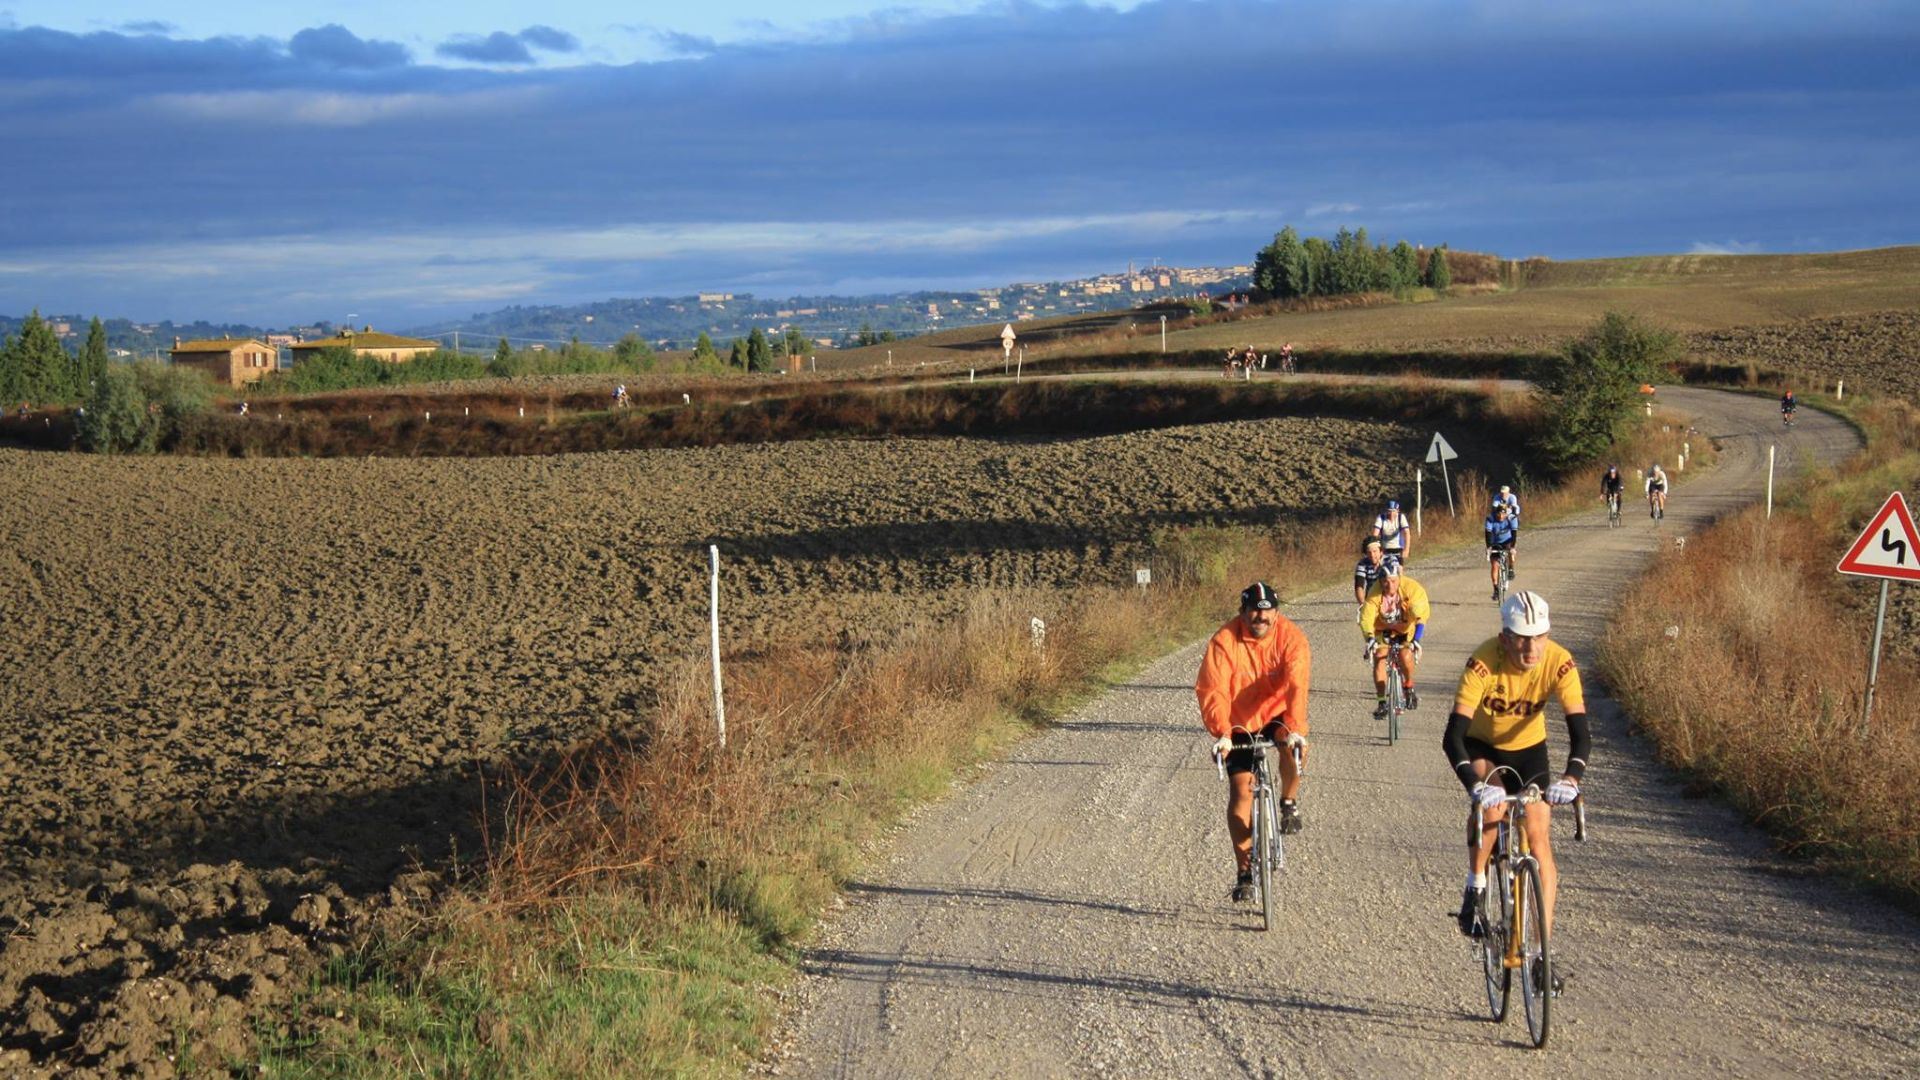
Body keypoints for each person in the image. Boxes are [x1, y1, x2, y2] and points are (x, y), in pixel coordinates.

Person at [1444, 591, 1590, 994]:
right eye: (1522, 638)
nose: (1531, 648)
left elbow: (1580, 731)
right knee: (1491, 811)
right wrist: (1475, 788)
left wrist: (1571, 779)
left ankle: (1543, 955)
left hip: (1529, 751)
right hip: (1482, 747)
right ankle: (1475, 888)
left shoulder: (1560, 661)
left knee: (1539, 838)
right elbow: (1452, 736)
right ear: (1504, 636)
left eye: (1539, 637)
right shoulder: (1483, 660)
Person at [1196, 581, 1312, 902]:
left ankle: (1288, 803)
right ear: (1243, 613)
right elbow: (1213, 689)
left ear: (1276, 613)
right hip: (1238, 722)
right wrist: (1221, 732)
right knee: (1240, 794)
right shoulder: (1224, 641)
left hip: (1277, 714)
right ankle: (1244, 872)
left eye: (1267, 612)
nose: (1260, 619)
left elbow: (1297, 686)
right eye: (1253, 613)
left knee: (1292, 746)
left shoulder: (1292, 638)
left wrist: (1297, 728)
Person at [1358, 565, 1430, 715]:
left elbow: (1420, 614)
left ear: (1399, 579)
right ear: (1380, 581)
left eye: (1393, 581)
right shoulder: (1374, 593)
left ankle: (1409, 687)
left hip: (1405, 630)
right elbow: (1366, 617)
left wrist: (1417, 639)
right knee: (1379, 657)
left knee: (1405, 655)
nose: (1389, 585)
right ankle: (1382, 702)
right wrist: (1369, 638)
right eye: (1385, 582)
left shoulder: (1411, 589)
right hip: (1382, 631)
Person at [1352, 537, 1400, 606]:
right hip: (1372, 598)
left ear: (1381, 552)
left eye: (1375, 551)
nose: (1372, 555)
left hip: (1390, 596)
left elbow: (1397, 581)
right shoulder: (1362, 564)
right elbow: (1359, 586)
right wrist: (1363, 605)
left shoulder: (1391, 560)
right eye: (1369, 552)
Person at [1484, 501, 1518, 600]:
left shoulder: (1511, 518)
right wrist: (1489, 547)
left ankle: (1511, 568)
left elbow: (1514, 533)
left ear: (1506, 513)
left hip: (1508, 541)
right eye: (1498, 514)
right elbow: (1488, 534)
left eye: (1503, 514)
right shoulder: (1490, 519)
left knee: (1511, 553)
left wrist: (1512, 547)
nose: (1500, 517)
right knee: (1494, 566)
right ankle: (1495, 590)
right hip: (1495, 543)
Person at [1370, 499, 1412, 563]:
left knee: (1399, 569)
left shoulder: (1401, 517)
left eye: (1394, 511)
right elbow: (1375, 535)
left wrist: (1406, 550)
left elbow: (1407, 533)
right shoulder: (1381, 518)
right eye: (1389, 511)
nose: (1391, 514)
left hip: (1398, 548)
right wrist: (1376, 550)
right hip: (1384, 548)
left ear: (1398, 511)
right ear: (1386, 511)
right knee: (1382, 569)